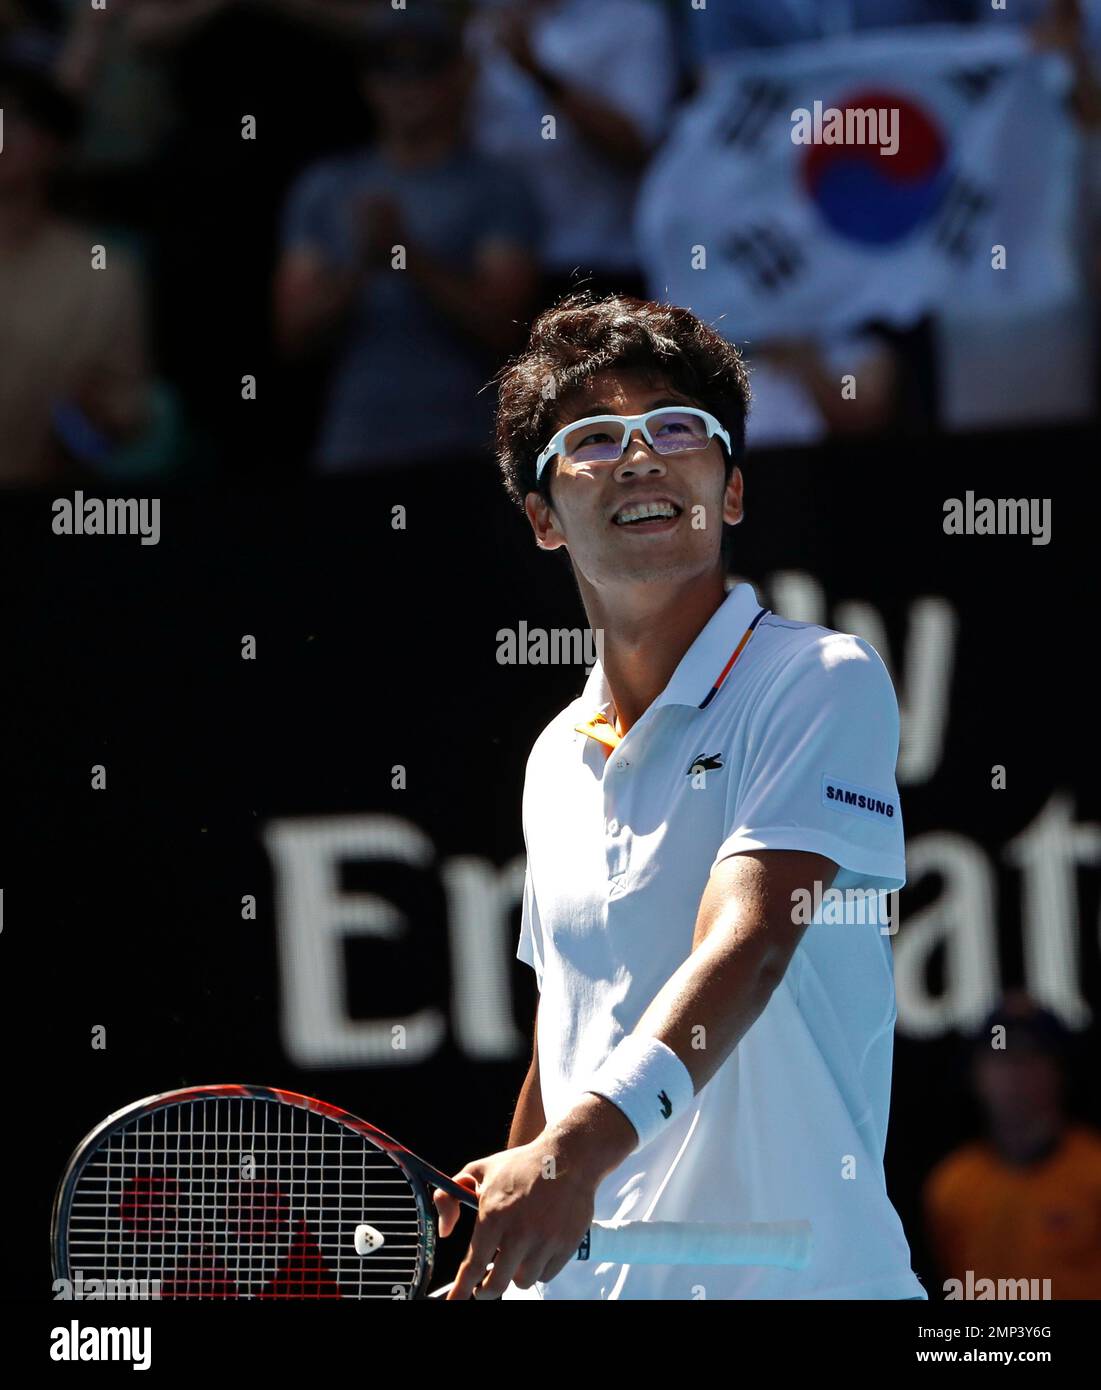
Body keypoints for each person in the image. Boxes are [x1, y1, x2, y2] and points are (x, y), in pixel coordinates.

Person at [432, 293, 926, 1300]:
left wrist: (568, 1157)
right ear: (541, 515)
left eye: (676, 429)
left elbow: (748, 948)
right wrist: (508, 1244)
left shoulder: (820, 679)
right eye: (595, 438)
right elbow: (571, 1021)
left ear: (730, 491)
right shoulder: (552, 759)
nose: (642, 456)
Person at [274, 10, 539, 472]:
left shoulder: (497, 186)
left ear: (459, 76)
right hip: (355, 446)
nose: (406, 84)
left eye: (425, 65)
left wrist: (409, 258)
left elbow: (508, 328)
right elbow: (292, 333)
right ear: (367, 82)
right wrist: (360, 265)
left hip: (466, 448)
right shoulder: (327, 186)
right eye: (387, 67)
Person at [0, 55, 152, 484]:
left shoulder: (103, 271)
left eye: (10, 121)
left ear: (52, 144)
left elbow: (121, 418)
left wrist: (85, 421)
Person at [466, 0, 678, 300]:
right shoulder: (487, 21)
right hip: (507, 271)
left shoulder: (633, 19)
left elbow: (635, 146)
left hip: (604, 267)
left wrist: (539, 75)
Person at [923, 992, 1101, 1299]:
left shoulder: (1094, 1170)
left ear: (1059, 1071)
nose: (1015, 1073)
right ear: (977, 1074)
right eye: (1001, 1058)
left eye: (1031, 1056)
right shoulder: (951, 1185)